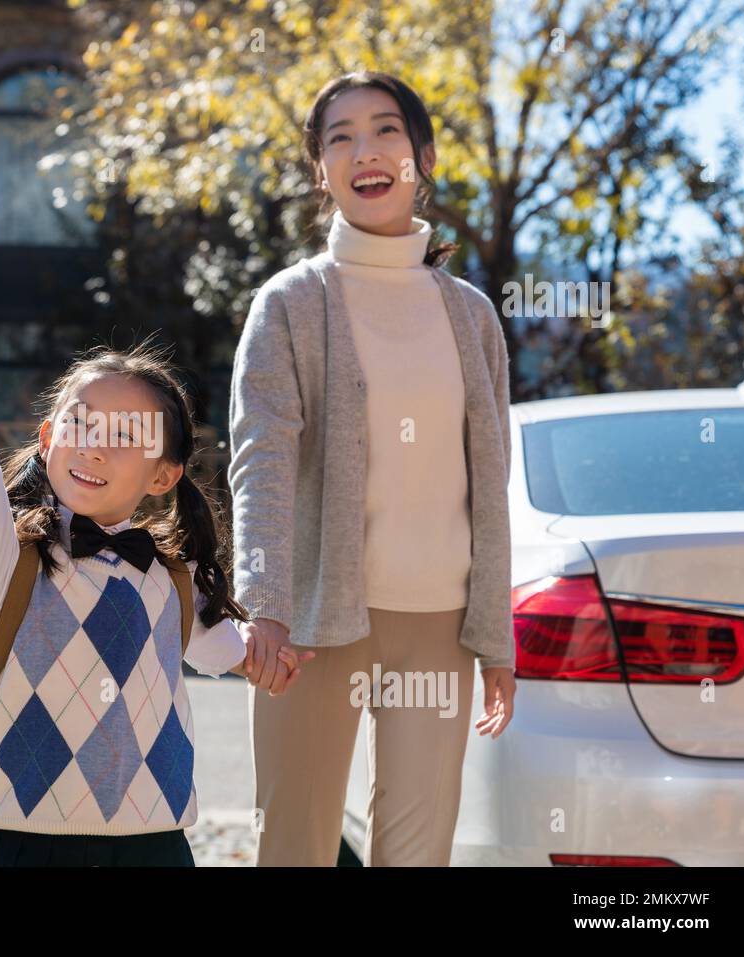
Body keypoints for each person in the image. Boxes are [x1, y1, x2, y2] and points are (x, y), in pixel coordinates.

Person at [228, 71, 517, 866]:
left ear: (421, 155)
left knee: (419, 853)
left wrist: (495, 636)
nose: (367, 152)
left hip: (441, 623)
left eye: (386, 131)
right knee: (296, 845)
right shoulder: (289, 303)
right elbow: (263, 461)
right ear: (320, 171)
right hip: (316, 622)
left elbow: (489, 486)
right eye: (340, 138)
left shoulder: (472, 314)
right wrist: (265, 605)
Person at [0, 332, 313, 866]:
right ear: (49, 437)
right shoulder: (5, 562)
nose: (94, 445)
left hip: (155, 841)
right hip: (28, 840)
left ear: (164, 474)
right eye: (79, 423)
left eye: (125, 434)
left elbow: (226, 649)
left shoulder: (173, 578)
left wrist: (267, 657)